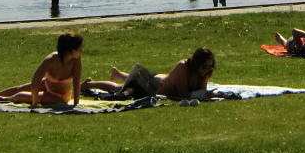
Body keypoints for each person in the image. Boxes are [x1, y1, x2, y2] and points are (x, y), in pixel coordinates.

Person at [0, 33, 83, 108]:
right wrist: (34, 101)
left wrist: (76, 104)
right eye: (79, 48)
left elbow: (76, 82)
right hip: (47, 84)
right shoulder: (51, 60)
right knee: (20, 88)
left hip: (59, 97)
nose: (82, 50)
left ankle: (0, 99)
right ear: (71, 50)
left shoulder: (76, 60)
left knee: (22, 96)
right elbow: (35, 81)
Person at [82, 48, 216, 100]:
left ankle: (117, 73)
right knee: (118, 89)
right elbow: (182, 94)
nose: (207, 70)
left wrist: (205, 93)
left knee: (130, 81)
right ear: (196, 63)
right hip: (152, 85)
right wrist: (202, 94)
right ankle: (88, 84)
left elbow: (201, 91)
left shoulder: (203, 73)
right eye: (204, 66)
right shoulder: (183, 67)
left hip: (157, 80)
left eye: (210, 67)